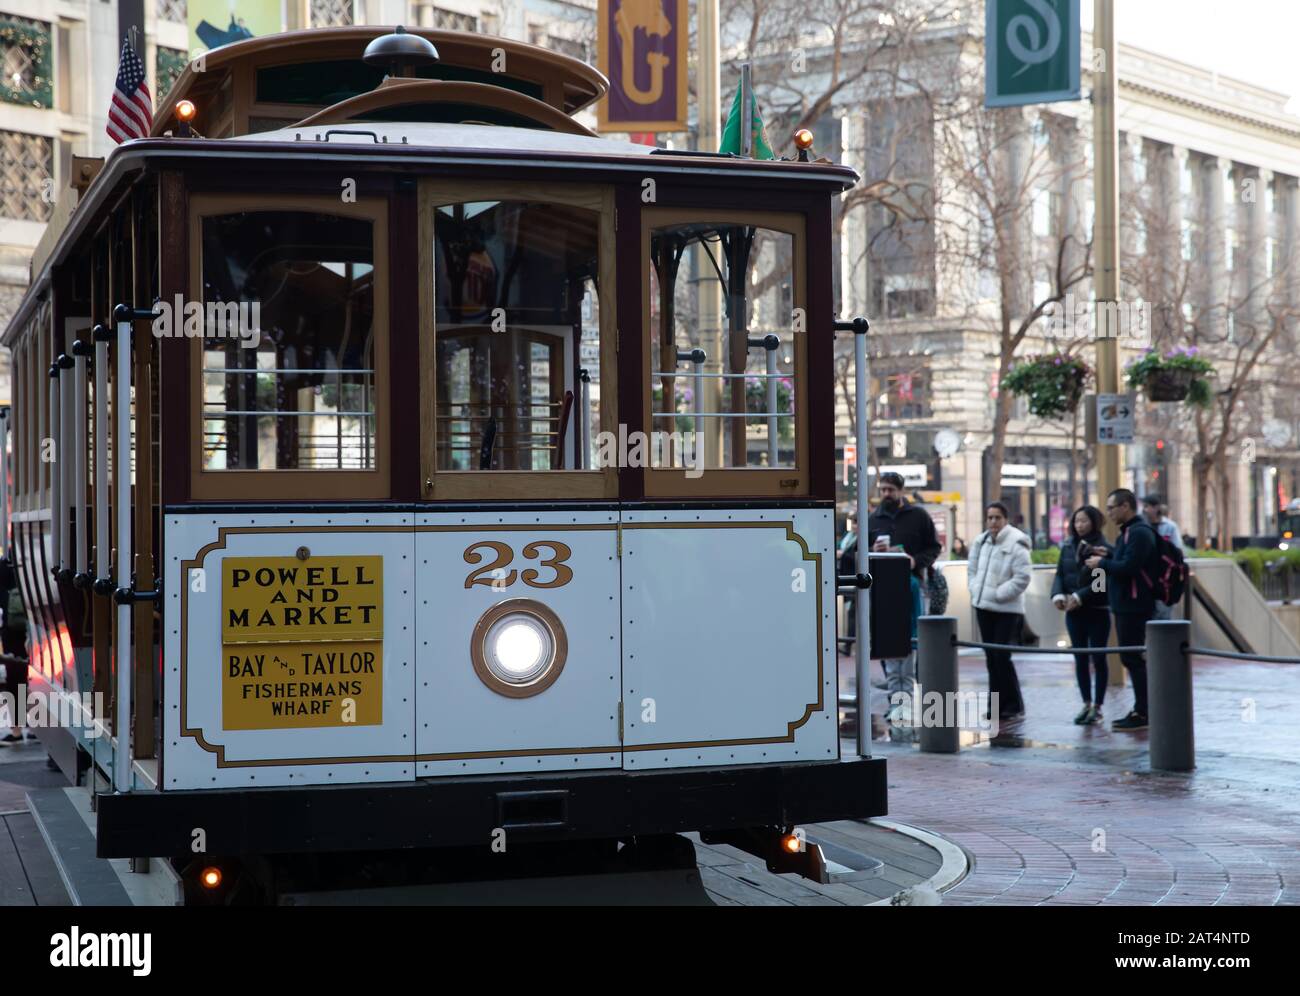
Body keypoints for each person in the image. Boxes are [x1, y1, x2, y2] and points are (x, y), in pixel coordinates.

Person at [867, 473, 942, 718]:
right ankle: (895, 704)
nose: (886, 494)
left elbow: (934, 547)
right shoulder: (873, 519)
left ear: (901, 491)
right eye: (883, 490)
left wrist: (914, 561)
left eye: (891, 490)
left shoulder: (918, 516)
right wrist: (871, 551)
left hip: (911, 590)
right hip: (882, 590)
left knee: (909, 649)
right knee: (888, 650)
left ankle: (906, 704)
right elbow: (857, 555)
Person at [1086, 488, 1160, 731]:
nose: (1108, 513)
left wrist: (1102, 563)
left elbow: (1129, 567)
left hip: (1134, 605)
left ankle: (1144, 712)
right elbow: (1126, 561)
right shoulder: (1129, 533)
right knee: (1131, 658)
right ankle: (1143, 709)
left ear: (1125, 506)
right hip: (1126, 604)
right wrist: (1108, 554)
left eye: (1111, 507)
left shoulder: (1138, 533)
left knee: (1133, 658)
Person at [967, 502, 1032, 720]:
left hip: (1007, 610)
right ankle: (996, 706)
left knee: (1001, 657)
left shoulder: (1017, 542)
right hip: (983, 606)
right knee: (991, 659)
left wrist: (998, 593)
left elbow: (1023, 577)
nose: (993, 522)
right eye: (990, 518)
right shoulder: (982, 540)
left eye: (997, 518)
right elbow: (972, 569)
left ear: (1006, 519)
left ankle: (1013, 705)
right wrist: (976, 589)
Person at [1051, 505, 1113, 725]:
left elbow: (1100, 584)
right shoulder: (1068, 545)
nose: (1080, 525)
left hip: (1096, 611)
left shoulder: (1102, 548)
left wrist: (1078, 597)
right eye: (1077, 521)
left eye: (1084, 521)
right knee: (1080, 658)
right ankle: (1086, 703)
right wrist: (1058, 595)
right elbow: (1060, 573)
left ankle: (1098, 707)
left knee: (1098, 657)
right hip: (1072, 612)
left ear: (1094, 522)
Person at [1141, 494, 1184, 621]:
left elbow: (1178, 550)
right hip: (1147, 578)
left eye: (1147, 506)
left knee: (1163, 616)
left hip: (1164, 578)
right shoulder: (1143, 526)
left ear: (1156, 507)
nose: (1145, 510)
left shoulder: (1170, 527)